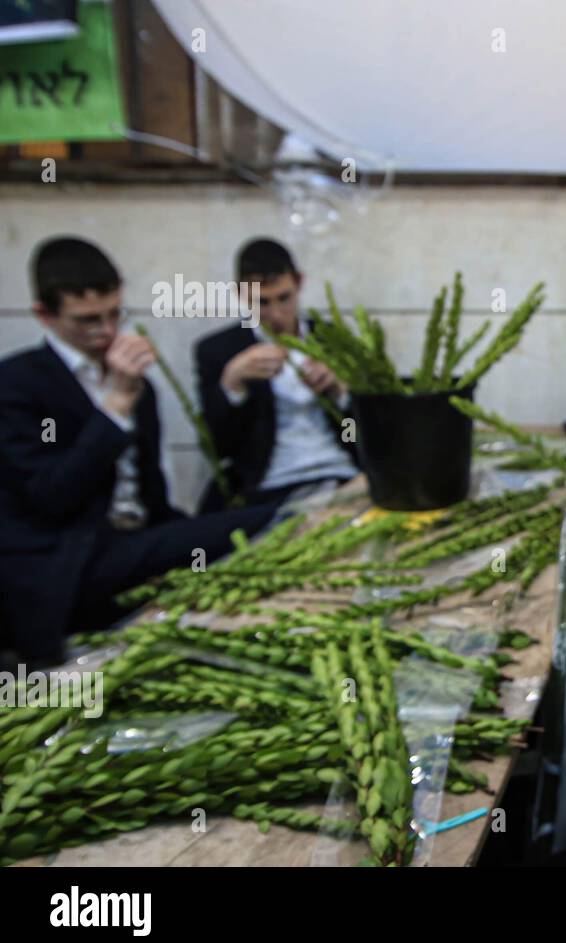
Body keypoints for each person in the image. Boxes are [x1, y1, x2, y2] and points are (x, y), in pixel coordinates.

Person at [0, 238, 278, 666]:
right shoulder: (19, 383)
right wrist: (113, 409)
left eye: (114, 314)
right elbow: (49, 498)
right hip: (65, 560)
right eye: (87, 320)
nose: (106, 331)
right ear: (44, 315)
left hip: (133, 543)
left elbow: (154, 498)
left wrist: (195, 539)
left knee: (254, 527)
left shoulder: (137, 387)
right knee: (268, 518)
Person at [194, 239, 358, 512]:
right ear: (239, 294)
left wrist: (341, 392)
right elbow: (218, 448)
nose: (276, 315)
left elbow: (365, 431)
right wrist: (232, 384)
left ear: (299, 283)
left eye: (284, 298)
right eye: (261, 302)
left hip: (339, 471)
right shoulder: (219, 351)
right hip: (268, 484)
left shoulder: (335, 340)